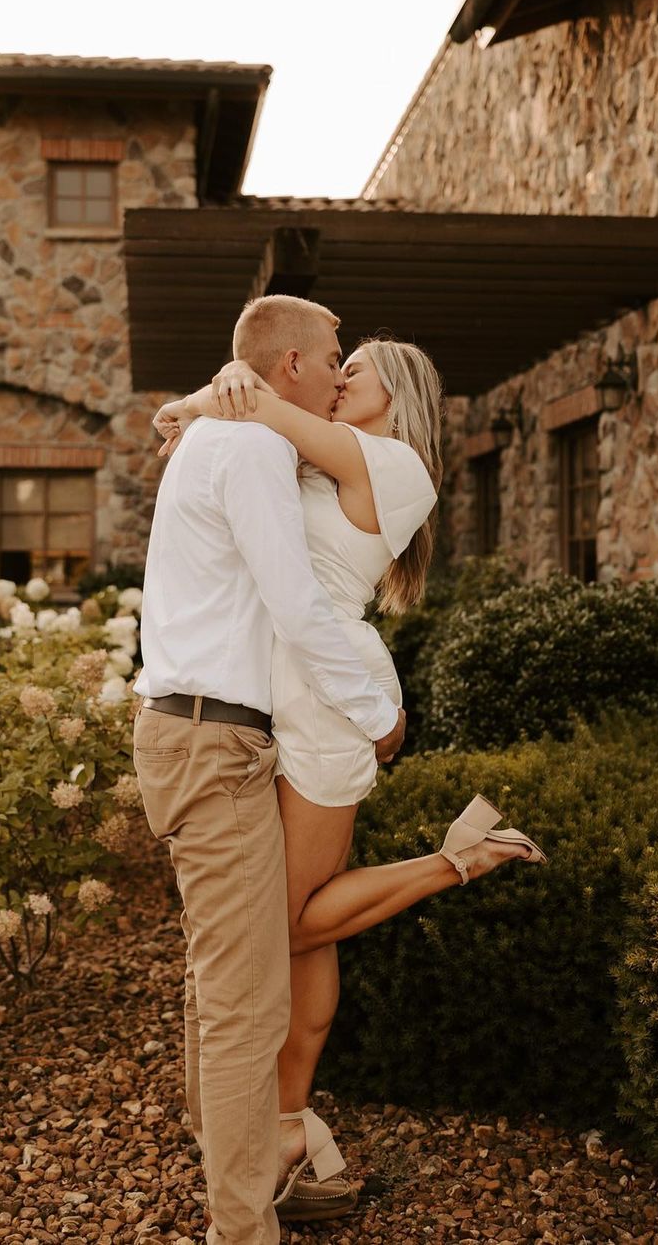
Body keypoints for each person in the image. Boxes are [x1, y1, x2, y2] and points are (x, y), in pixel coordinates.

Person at [152, 300, 548, 1221]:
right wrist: (213, 396)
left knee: (281, 924)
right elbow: (236, 419)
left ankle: (456, 862)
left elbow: (261, 401)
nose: (338, 380)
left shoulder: (394, 463)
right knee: (302, 924)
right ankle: (286, 1121)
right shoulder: (322, 455)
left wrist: (219, 389)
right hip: (292, 694)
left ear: (393, 393)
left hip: (328, 702)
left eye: (353, 370)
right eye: (335, 363)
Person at [132, 294, 408, 1244]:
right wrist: (378, 713)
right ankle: (242, 1228)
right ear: (291, 365)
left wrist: (201, 399)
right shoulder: (250, 448)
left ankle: (225, 1154)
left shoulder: (235, 435)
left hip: (204, 735)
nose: (338, 372)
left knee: (222, 982)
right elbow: (296, 603)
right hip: (214, 743)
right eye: (332, 356)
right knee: (247, 1006)